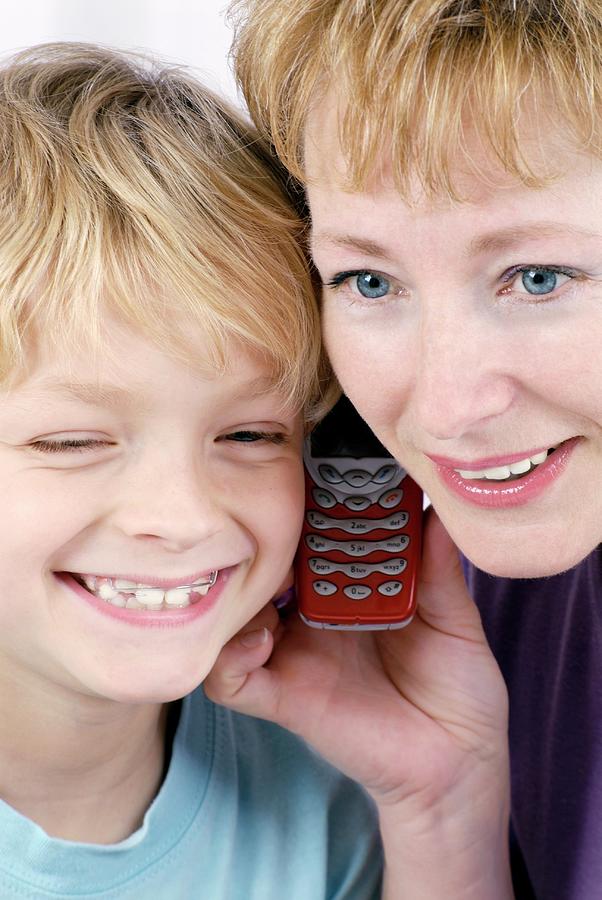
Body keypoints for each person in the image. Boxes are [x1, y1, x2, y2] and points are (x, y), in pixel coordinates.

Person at [207, 1, 602, 897]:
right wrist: (446, 801)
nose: (446, 411)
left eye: (539, 277)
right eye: (369, 281)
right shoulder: (467, 574)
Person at [0, 42, 386, 899]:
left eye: (250, 434)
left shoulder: (329, 785)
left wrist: (433, 798)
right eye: (72, 442)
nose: (183, 517)